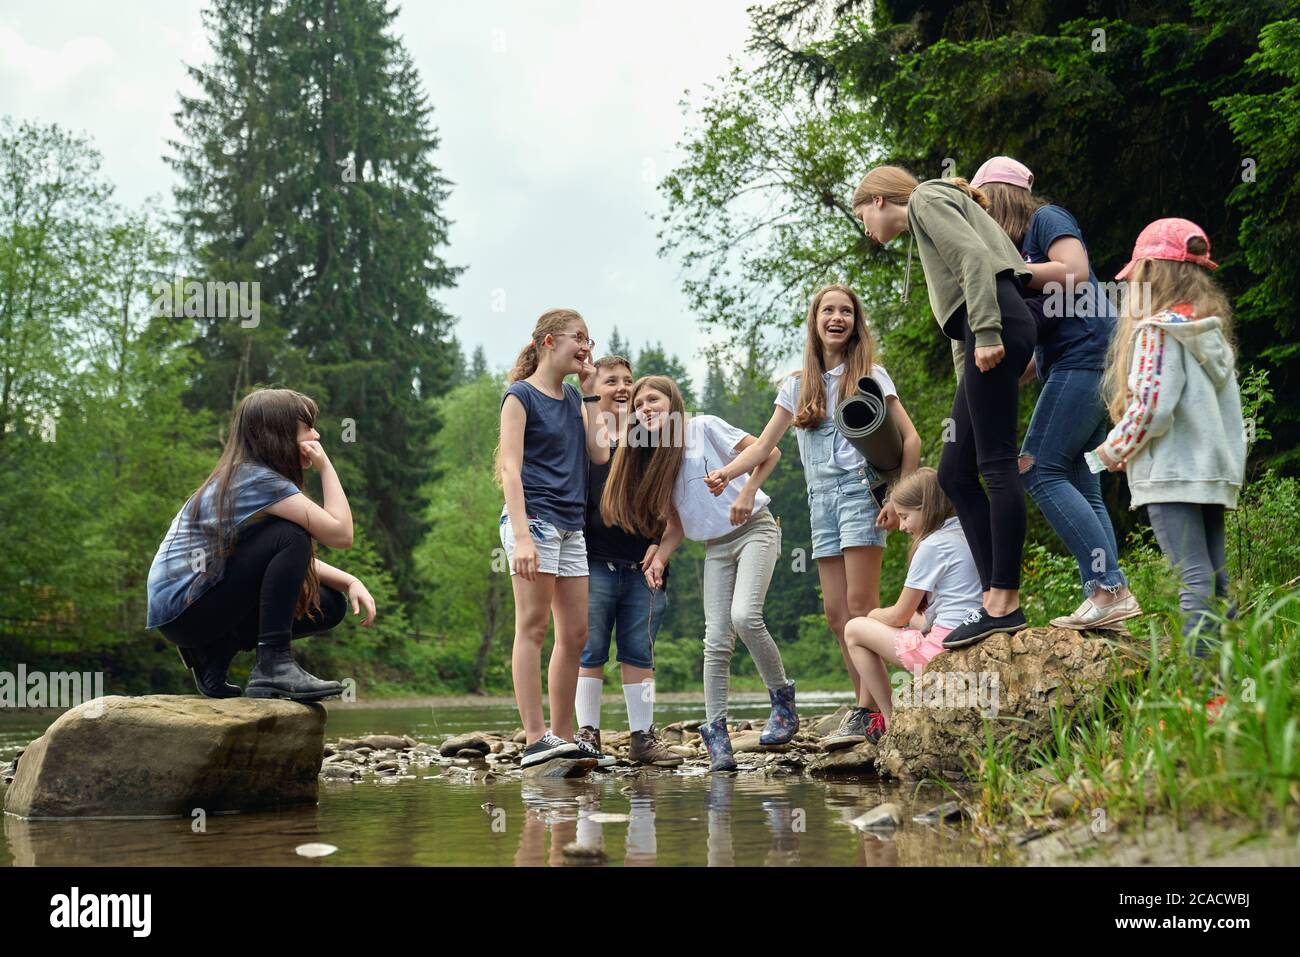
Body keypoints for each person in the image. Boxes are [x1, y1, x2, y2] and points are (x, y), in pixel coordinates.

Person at [713, 283, 921, 740]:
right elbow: (765, 446)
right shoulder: (796, 386)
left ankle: (871, 712)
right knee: (835, 613)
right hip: (818, 500)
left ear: (855, 324)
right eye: (828, 310)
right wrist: (729, 474)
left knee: (861, 605)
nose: (837, 317)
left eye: (846, 311)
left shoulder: (871, 376)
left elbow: (912, 440)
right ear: (815, 320)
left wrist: (896, 498)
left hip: (859, 494)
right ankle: (865, 709)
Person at [852, 165, 1035, 649]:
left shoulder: (925, 200)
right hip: (983, 329)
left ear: (877, 200)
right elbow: (959, 323)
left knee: (995, 466)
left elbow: (977, 261)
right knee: (954, 473)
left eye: (862, 217)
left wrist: (991, 334)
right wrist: (968, 389)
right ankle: (990, 594)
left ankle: (1004, 602)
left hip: (995, 321)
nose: (867, 230)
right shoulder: (924, 216)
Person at [971, 156, 1141, 630]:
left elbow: (1074, 269)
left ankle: (1109, 589)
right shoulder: (1021, 253)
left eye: (981, 208)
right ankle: (1110, 602)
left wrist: (1009, 270)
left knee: (1038, 468)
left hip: (1088, 356)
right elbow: (1032, 343)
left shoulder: (1047, 220)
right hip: (1077, 361)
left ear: (998, 199)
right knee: (1082, 483)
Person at [602, 375, 794, 772]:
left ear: (672, 401)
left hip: (756, 528)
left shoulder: (703, 427)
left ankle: (782, 703)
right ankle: (717, 732)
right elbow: (676, 526)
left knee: (745, 617)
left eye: (652, 400)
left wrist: (745, 491)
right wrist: (659, 558)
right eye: (639, 406)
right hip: (715, 547)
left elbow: (769, 452)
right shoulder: (656, 459)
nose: (645, 409)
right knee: (715, 638)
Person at [146, 388, 376, 702]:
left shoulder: (244, 478)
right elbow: (341, 535)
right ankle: (274, 666)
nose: (317, 435)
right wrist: (325, 467)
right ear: (278, 433)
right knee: (292, 533)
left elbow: (271, 556)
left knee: (329, 603)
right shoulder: (258, 481)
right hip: (187, 609)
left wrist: (349, 581)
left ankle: (213, 653)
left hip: (185, 615)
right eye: (307, 427)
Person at [1095, 219, 1246, 656]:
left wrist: (1111, 450)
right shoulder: (1210, 333)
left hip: (1173, 474)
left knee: (1193, 579)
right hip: (1211, 474)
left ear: (1149, 276)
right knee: (1216, 579)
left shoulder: (1157, 333)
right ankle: (1226, 682)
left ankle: (1203, 694)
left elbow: (1151, 407)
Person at [497, 309, 611, 768]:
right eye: (577, 337)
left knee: (576, 633)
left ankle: (563, 736)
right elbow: (509, 469)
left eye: (589, 338)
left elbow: (600, 453)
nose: (586, 347)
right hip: (535, 522)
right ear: (548, 342)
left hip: (571, 527)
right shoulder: (519, 396)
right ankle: (533, 737)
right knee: (534, 627)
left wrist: (590, 395)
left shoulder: (572, 398)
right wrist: (522, 537)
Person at [574, 355, 684, 767]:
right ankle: (587, 733)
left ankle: (642, 737)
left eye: (628, 381)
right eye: (611, 381)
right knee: (591, 649)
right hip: (594, 560)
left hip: (644, 563)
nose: (622, 387)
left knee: (640, 652)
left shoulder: (651, 433)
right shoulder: (585, 432)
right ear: (594, 387)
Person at [831, 468, 983, 742]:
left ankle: (890, 719)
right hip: (972, 638)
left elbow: (900, 615)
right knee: (893, 622)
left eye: (904, 516)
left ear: (927, 508)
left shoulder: (933, 546)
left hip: (941, 652)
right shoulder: (970, 532)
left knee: (854, 629)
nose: (901, 526)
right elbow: (926, 618)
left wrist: (874, 614)